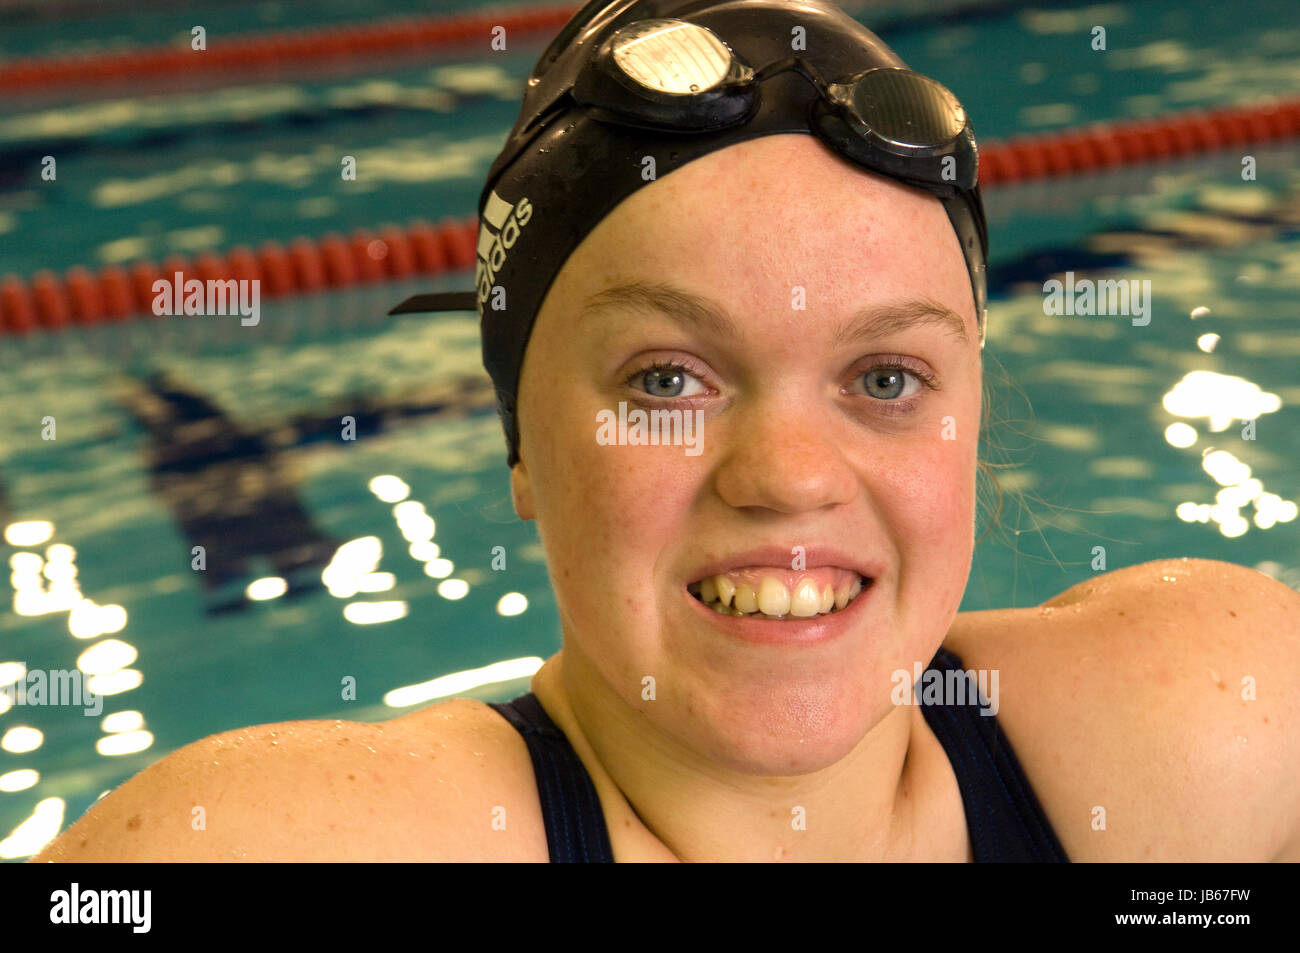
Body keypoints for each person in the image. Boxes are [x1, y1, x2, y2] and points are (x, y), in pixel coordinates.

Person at [32, 0, 1299, 863]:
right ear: (520, 446)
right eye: (665, 379)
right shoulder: (295, 841)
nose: (789, 476)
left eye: (887, 375)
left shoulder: (1205, 733)